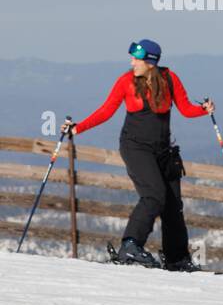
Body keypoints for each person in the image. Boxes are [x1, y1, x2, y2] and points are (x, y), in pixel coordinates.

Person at [62, 39, 214, 270]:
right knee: (154, 195)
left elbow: (185, 109)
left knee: (173, 204)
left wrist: (204, 110)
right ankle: (130, 246)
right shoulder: (126, 81)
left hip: (163, 150)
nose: (131, 61)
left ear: (150, 62)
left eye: (136, 58)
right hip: (135, 147)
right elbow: (106, 110)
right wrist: (77, 128)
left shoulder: (169, 79)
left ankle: (176, 259)